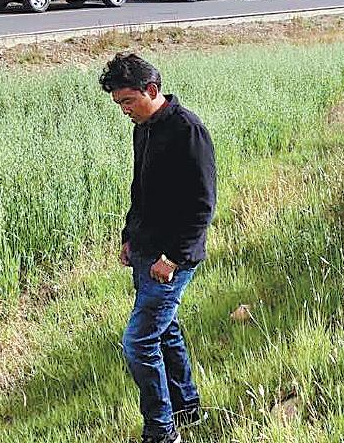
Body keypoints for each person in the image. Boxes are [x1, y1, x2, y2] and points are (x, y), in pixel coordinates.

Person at [99, 52, 217, 443]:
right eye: (119, 104)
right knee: (164, 333)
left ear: (152, 90)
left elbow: (203, 206)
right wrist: (128, 237)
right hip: (146, 251)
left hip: (172, 259)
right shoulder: (143, 128)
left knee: (138, 342)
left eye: (128, 101)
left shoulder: (189, 131)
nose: (124, 111)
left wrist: (173, 259)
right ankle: (186, 408)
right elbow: (141, 191)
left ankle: (161, 432)